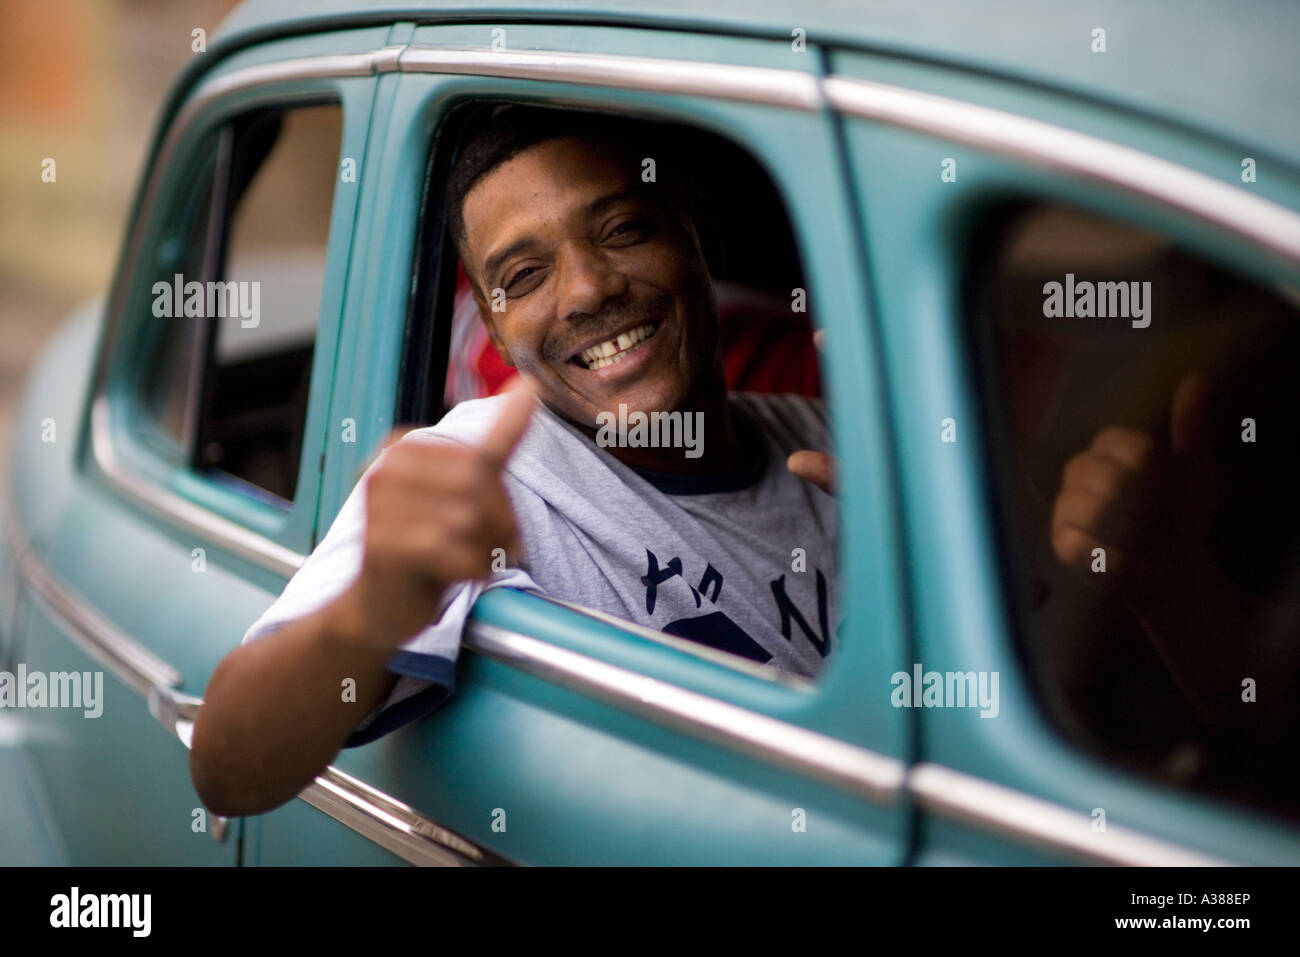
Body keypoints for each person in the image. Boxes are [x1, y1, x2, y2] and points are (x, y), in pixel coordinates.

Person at [190, 106, 839, 817]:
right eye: (526, 275)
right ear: (494, 328)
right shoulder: (476, 476)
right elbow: (229, 767)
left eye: (623, 230)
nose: (589, 288)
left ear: (692, 235)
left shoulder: (824, 440)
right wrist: (371, 610)